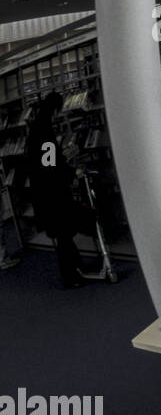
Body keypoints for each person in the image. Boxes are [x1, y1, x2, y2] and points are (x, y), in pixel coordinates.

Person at [24, 92, 85, 287]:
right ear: (55, 109)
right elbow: (49, 164)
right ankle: (70, 276)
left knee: (62, 235)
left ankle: (76, 265)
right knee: (64, 233)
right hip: (53, 193)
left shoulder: (35, 129)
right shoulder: (45, 131)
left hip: (43, 192)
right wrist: (70, 172)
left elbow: (43, 162)